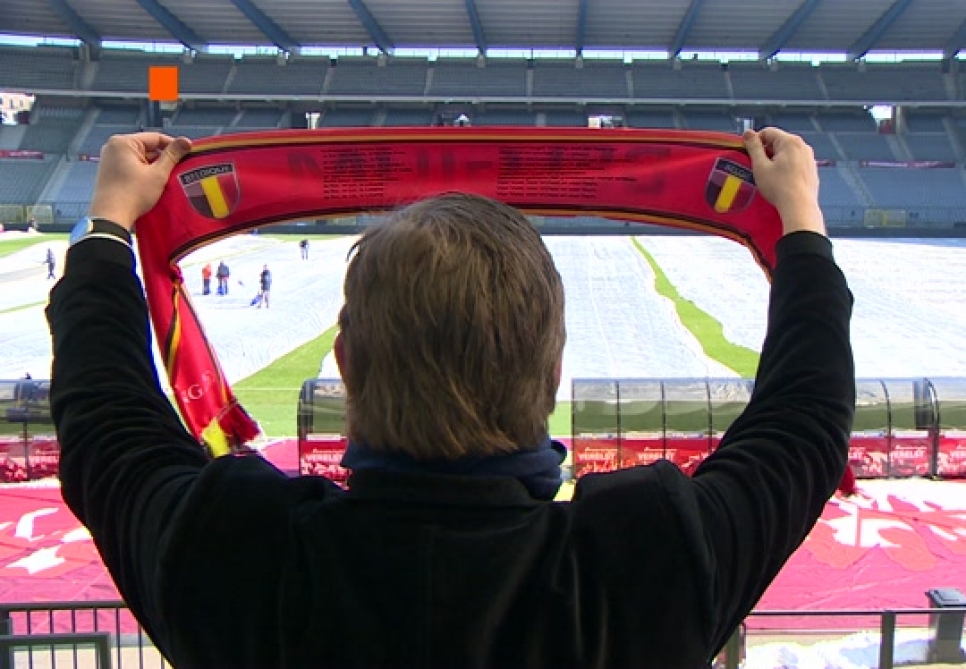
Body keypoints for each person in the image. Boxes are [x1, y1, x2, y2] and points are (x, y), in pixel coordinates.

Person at [46, 129, 853, 668]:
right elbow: (804, 426)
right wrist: (799, 223)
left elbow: (104, 416)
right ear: (553, 364)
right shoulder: (646, 561)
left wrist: (111, 222)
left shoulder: (236, 550)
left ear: (344, 362)